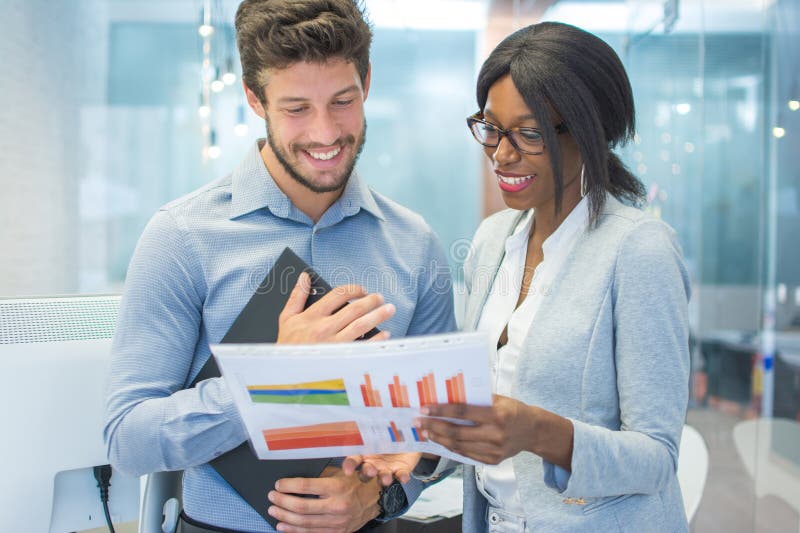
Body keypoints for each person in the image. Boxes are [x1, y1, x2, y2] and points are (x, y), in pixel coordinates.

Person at [103, 1, 455, 532]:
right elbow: (127, 440)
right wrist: (274, 378)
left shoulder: (414, 243)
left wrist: (380, 497)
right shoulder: (182, 236)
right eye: (296, 108)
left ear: (366, 82)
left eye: (343, 101)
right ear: (254, 98)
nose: (325, 133)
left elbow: (441, 427)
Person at [346, 21, 691, 532]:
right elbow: (486, 423)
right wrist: (425, 449)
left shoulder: (638, 250)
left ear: (590, 131)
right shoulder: (493, 240)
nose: (502, 154)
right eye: (491, 128)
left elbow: (656, 458)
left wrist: (540, 431)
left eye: (529, 134)